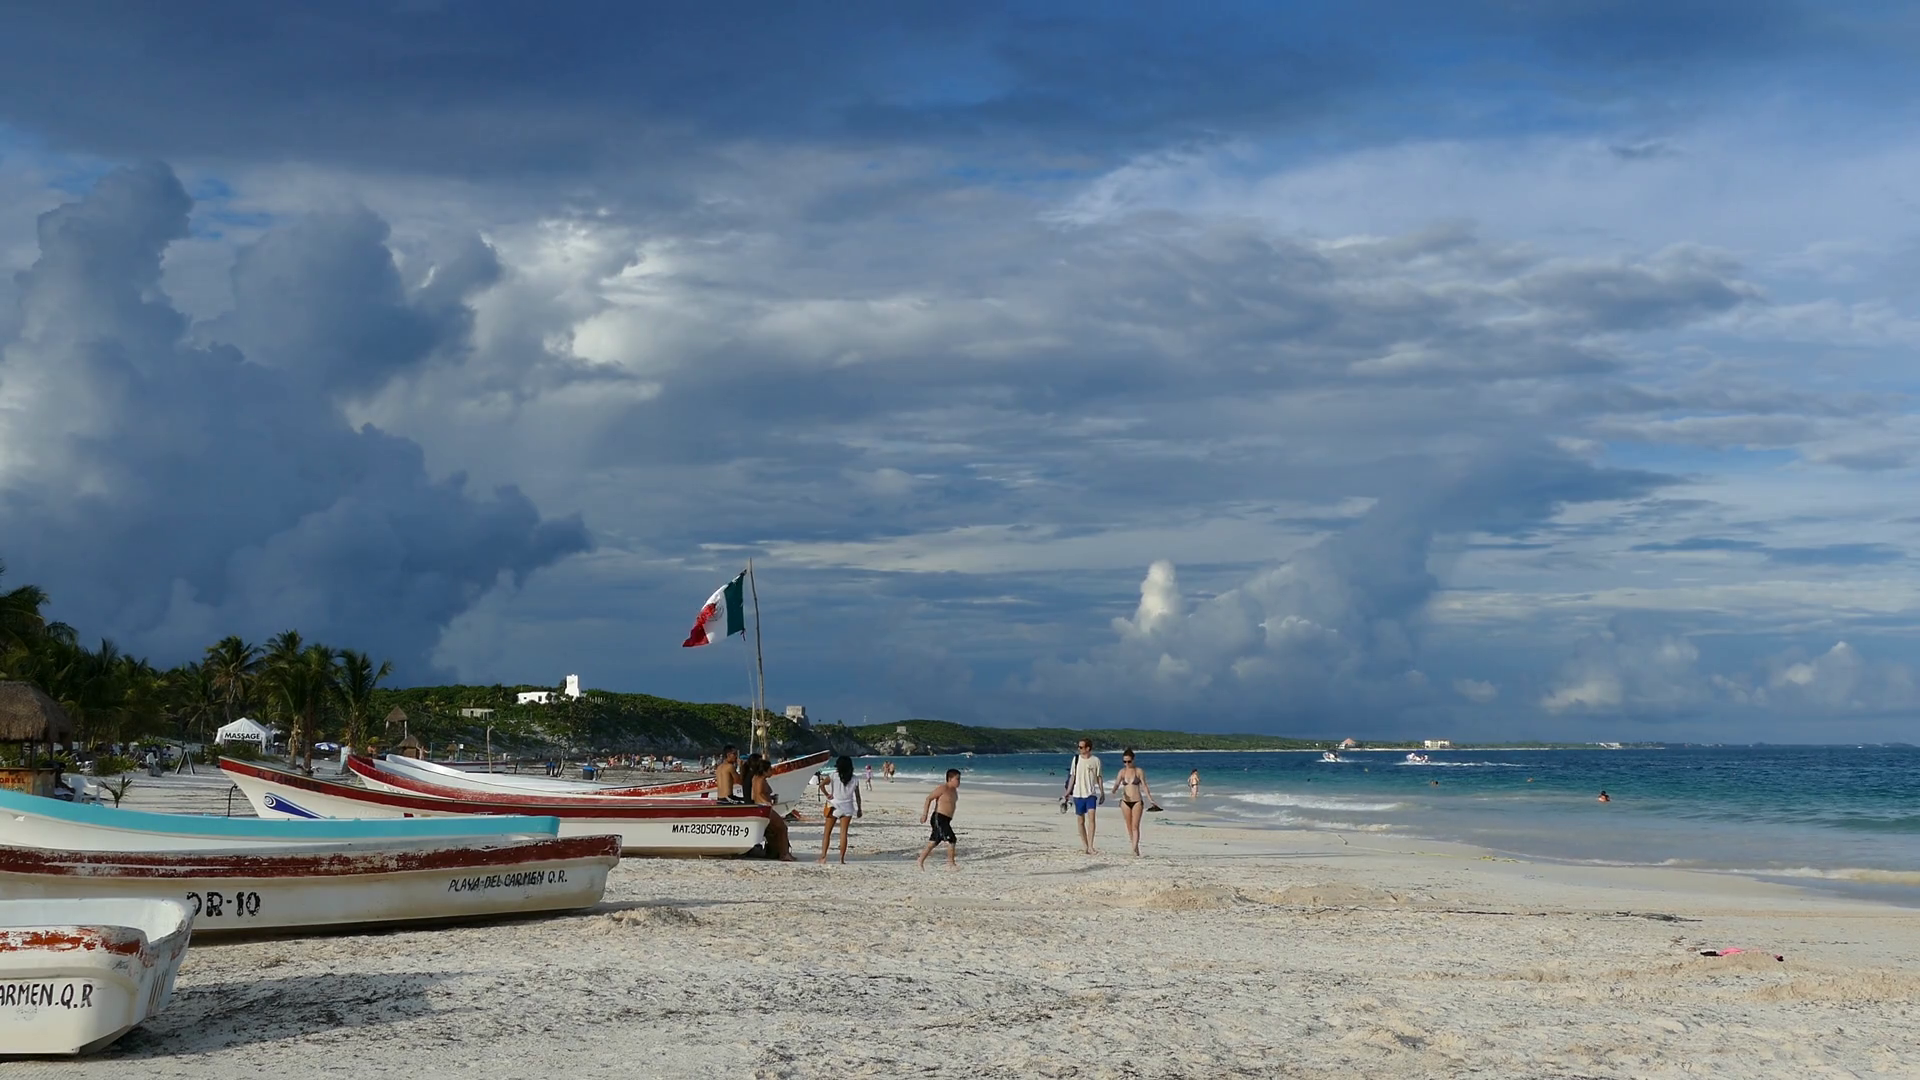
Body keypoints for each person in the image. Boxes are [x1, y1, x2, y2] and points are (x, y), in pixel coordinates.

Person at [745, 757, 795, 861]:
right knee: (782, 828)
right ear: (764, 771)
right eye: (770, 769)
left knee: (775, 830)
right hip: (765, 808)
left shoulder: (756, 778)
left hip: (762, 807)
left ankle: (778, 852)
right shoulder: (760, 780)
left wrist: (770, 798)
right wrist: (767, 802)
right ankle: (784, 854)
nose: (772, 771)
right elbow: (757, 794)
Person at [819, 754, 863, 864]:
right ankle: (841, 859)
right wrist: (859, 809)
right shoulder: (854, 779)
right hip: (847, 807)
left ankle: (823, 857)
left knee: (827, 833)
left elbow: (821, 785)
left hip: (834, 805)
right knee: (843, 833)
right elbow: (857, 796)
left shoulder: (833, 775)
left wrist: (827, 794)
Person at [1110, 748, 1153, 857]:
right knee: (1129, 826)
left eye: (1129, 761)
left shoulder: (1139, 771)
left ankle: (1133, 848)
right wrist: (1114, 790)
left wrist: (1150, 798)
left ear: (1133, 760)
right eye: (1125, 762)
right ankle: (1135, 848)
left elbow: (1144, 785)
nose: (1127, 764)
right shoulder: (1122, 772)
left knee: (1135, 826)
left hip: (1137, 801)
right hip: (1125, 801)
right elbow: (1116, 783)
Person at [917, 768, 962, 869]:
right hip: (939, 818)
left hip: (946, 819)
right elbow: (929, 799)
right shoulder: (943, 788)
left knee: (933, 842)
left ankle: (920, 860)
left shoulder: (954, 791)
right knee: (952, 839)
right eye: (957, 779)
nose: (959, 782)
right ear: (950, 779)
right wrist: (925, 815)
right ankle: (951, 863)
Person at [1064, 739, 1103, 854]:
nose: (1079, 749)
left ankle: (1091, 846)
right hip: (1078, 793)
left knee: (1092, 819)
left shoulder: (1096, 760)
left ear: (1088, 748)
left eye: (1081, 747)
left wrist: (1102, 792)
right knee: (1080, 821)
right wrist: (1067, 792)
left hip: (1091, 794)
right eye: (1078, 747)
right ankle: (1085, 845)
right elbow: (1072, 776)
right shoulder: (1076, 759)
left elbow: (1099, 777)